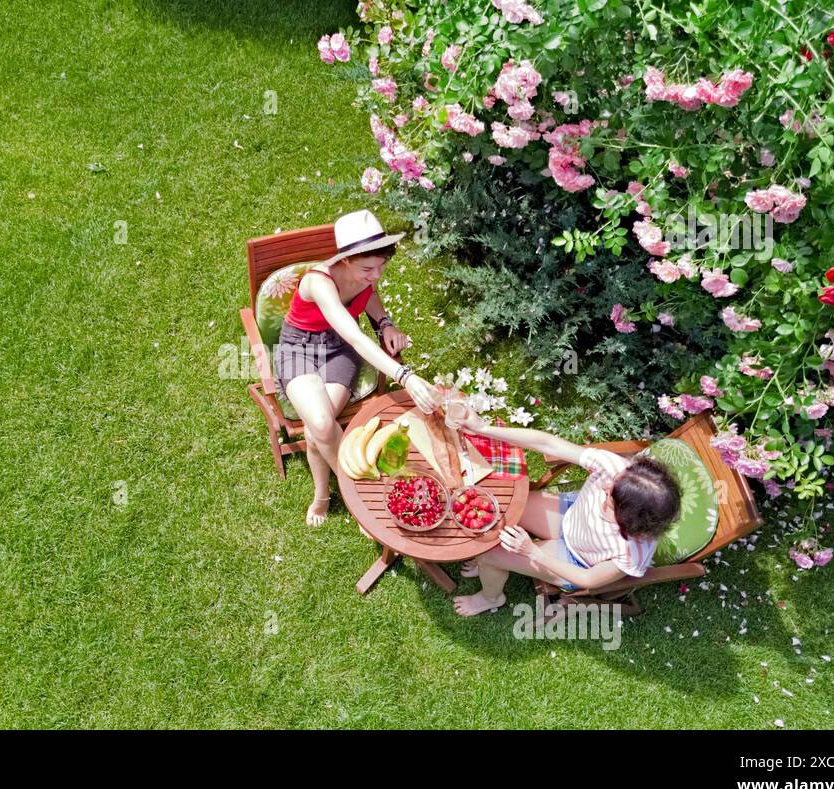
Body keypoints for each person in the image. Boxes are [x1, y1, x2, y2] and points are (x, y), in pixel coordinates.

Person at [275, 209, 441, 526]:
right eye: (368, 268)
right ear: (345, 259)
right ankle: (362, 496)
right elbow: (354, 336)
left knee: (316, 431)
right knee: (323, 424)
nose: (376, 275)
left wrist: (385, 323)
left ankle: (322, 496)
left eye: (381, 267)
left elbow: (370, 295)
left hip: (338, 351)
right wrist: (404, 375)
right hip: (300, 349)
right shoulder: (319, 282)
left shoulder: (364, 276)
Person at [442, 405, 682, 616]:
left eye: (610, 496)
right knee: (502, 506)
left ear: (625, 520)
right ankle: (489, 567)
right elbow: (548, 443)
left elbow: (588, 580)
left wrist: (532, 552)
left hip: (575, 559)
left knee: (489, 554)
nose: (606, 484)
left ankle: (491, 597)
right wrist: (484, 428)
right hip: (569, 515)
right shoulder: (616, 471)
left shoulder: (632, 552)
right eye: (616, 480)